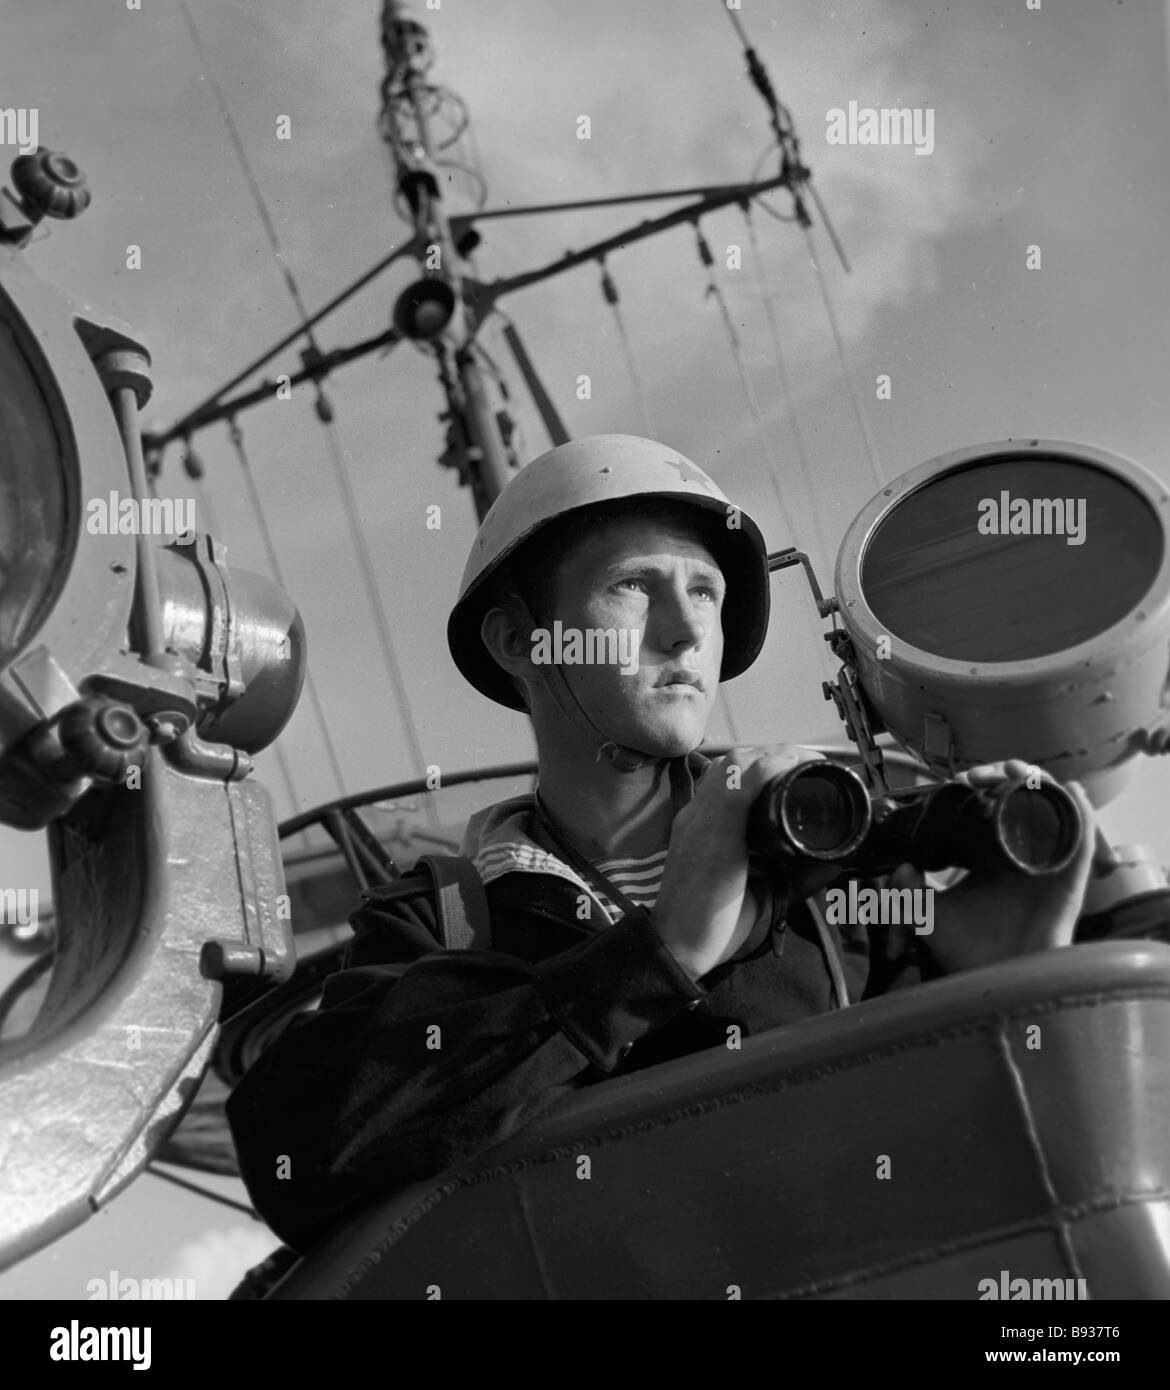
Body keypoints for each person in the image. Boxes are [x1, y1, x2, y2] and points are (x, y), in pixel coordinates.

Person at [226, 434, 1096, 1254]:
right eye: (634, 586)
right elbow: (294, 1153)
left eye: (707, 593)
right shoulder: (445, 916)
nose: (683, 630)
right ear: (518, 641)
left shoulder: (838, 877)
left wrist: (999, 990)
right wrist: (657, 952)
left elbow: (972, 1173)